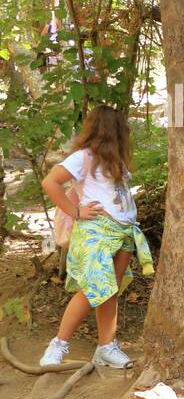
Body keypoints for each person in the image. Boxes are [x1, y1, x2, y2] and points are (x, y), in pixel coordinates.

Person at [38, 105, 153, 368]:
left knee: (109, 291)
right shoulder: (83, 157)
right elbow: (50, 182)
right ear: (111, 131)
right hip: (96, 234)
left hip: (123, 235)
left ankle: (106, 348)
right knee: (94, 290)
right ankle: (58, 345)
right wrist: (76, 211)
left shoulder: (118, 162)